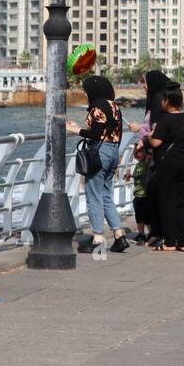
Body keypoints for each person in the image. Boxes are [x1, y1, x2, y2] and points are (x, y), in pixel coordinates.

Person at [67, 75, 129, 254]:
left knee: (93, 194)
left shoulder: (97, 107)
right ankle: (119, 235)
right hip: (114, 152)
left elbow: (95, 134)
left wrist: (73, 129)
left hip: (99, 153)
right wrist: (80, 127)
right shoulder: (114, 107)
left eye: (87, 91)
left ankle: (98, 238)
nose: (86, 94)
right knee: (107, 195)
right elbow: (105, 131)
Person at [148, 83, 184, 253]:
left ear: (167, 101)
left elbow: (156, 142)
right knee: (180, 203)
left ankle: (169, 242)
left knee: (167, 202)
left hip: (168, 164)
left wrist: (149, 135)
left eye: (163, 100)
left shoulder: (164, 119)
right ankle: (183, 242)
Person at [127, 69, 169, 245]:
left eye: (145, 83)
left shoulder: (159, 102)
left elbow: (157, 129)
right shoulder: (157, 100)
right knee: (151, 193)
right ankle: (156, 231)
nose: (143, 86)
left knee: (155, 194)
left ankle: (158, 232)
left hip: (158, 156)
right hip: (152, 155)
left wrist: (140, 132)